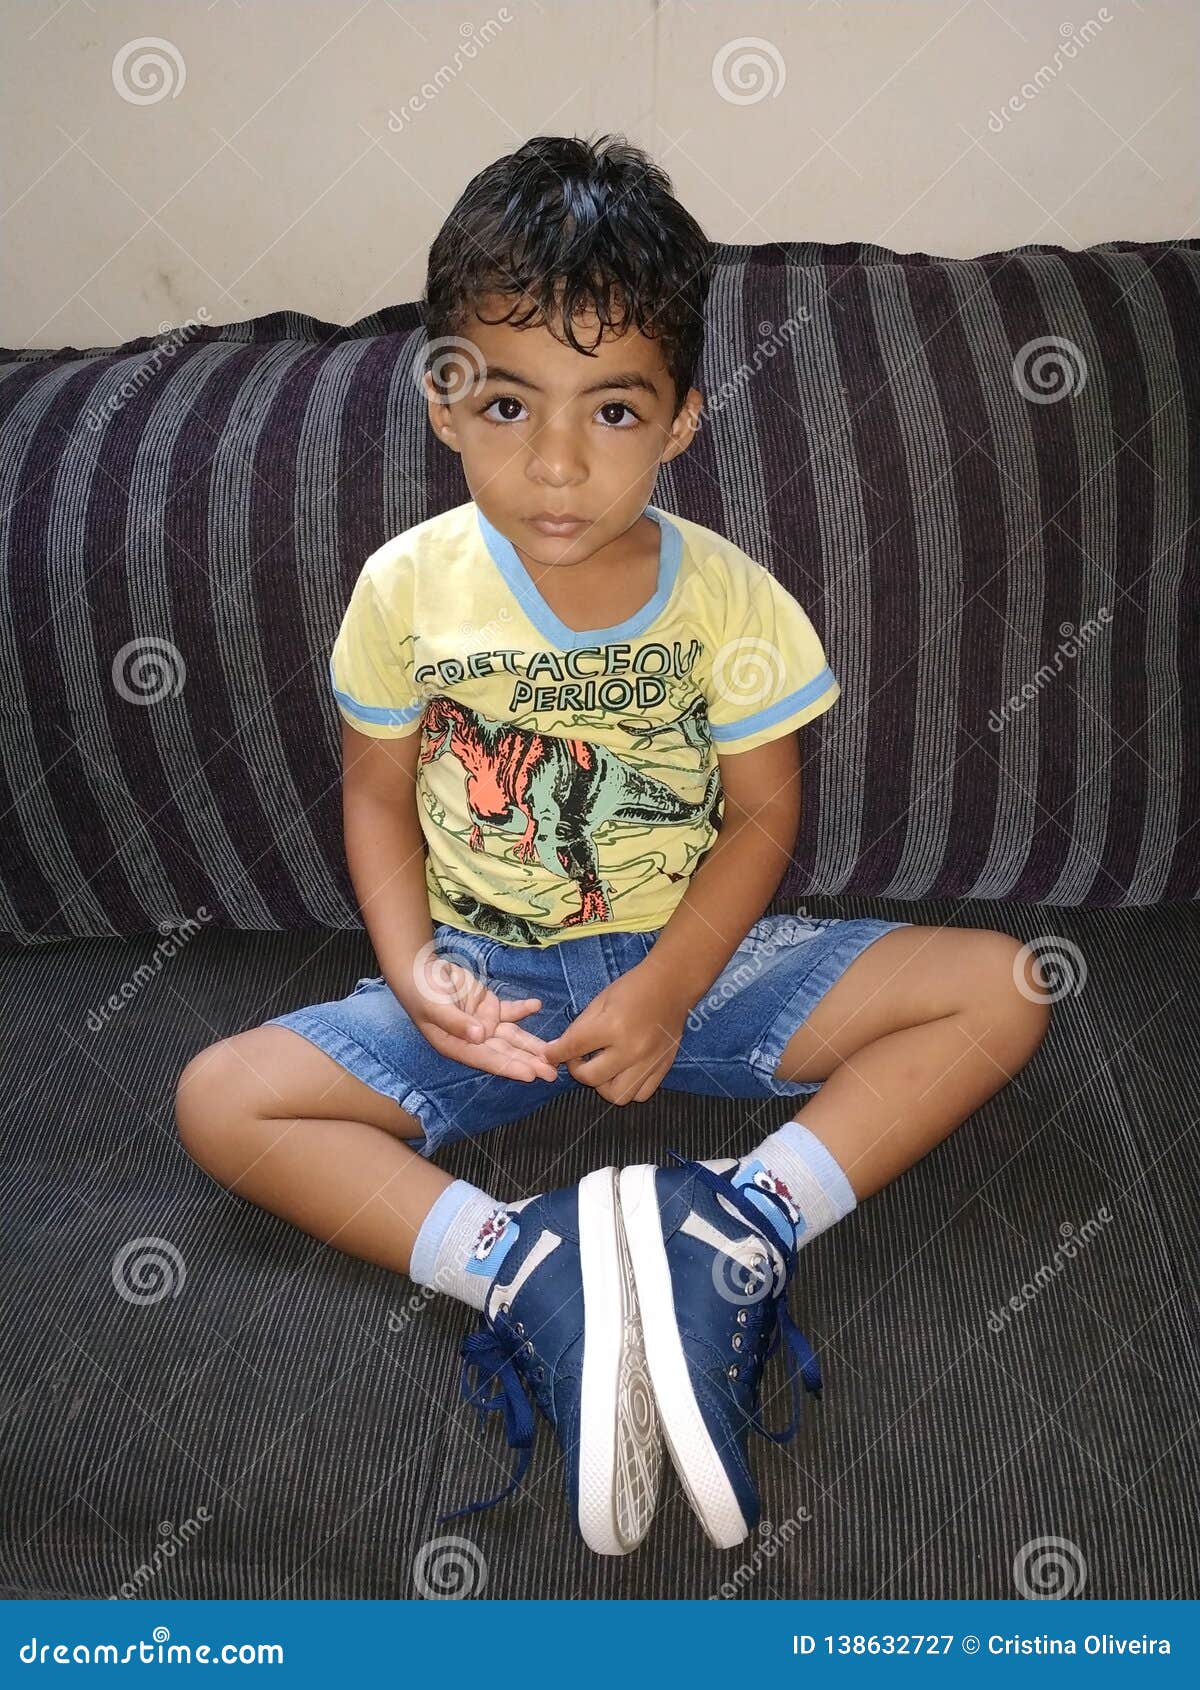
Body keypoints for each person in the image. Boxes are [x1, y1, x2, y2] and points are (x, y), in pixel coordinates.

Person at [174, 133, 1051, 1559]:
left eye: (615, 409)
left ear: (686, 418)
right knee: (221, 1099)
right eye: (511, 403)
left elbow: (766, 815)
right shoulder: (406, 590)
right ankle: (523, 1263)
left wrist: (666, 986)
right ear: (447, 401)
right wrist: (412, 973)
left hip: (697, 961)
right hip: (484, 982)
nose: (561, 462)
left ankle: (738, 1225)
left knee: (1006, 988)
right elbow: (378, 795)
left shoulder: (733, 601)